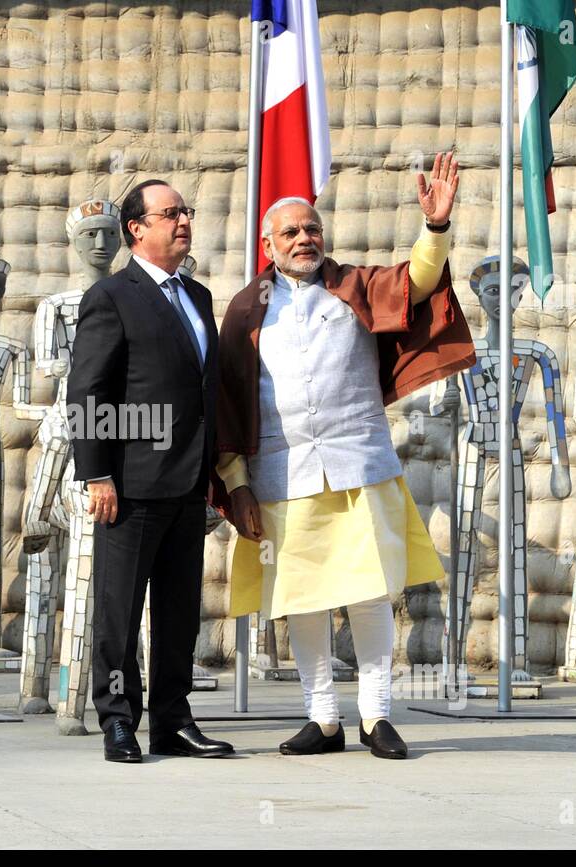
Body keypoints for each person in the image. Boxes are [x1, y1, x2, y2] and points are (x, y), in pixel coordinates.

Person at [213, 153, 475, 759]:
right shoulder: (245, 309)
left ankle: (376, 715)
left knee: (369, 592)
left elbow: (418, 282)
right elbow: (227, 407)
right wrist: (237, 484)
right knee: (301, 598)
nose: (305, 239)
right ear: (268, 243)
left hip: (359, 464)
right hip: (283, 475)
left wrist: (434, 228)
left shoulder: (354, 284)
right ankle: (322, 718)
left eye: (312, 229)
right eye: (291, 232)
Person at [66, 179, 232, 763]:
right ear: (136, 228)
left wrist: (214, 469)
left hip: (189, 484)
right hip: (130, 485)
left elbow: (203, 388)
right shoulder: (113, 297)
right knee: (119, 609)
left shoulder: (200, 296)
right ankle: (117, 719)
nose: (183, 221)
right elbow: (89, 390)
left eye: (186, 211)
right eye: (170, 214)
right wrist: (98, 475)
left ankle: (172, 719)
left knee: (179, 611)